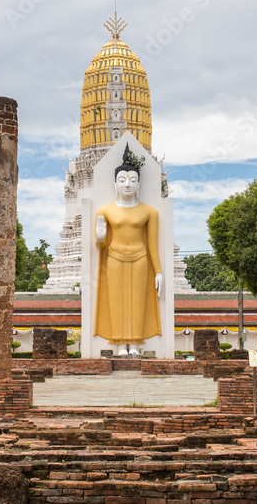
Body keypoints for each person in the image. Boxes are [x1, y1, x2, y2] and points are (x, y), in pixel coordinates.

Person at [94, 146, 163, 356]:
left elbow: (152, 244)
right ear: (115, 183)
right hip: (114, 258)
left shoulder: (149, 211)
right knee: (116, 301)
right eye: (122, 180)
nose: (127, 184)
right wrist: (100, 239)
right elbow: (102, 245)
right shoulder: (104, 210)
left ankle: (134, 343)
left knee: (137, 301)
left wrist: (158, 271)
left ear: (139, 183)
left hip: (140, 258)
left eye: (132, 180)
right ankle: (119, 344)